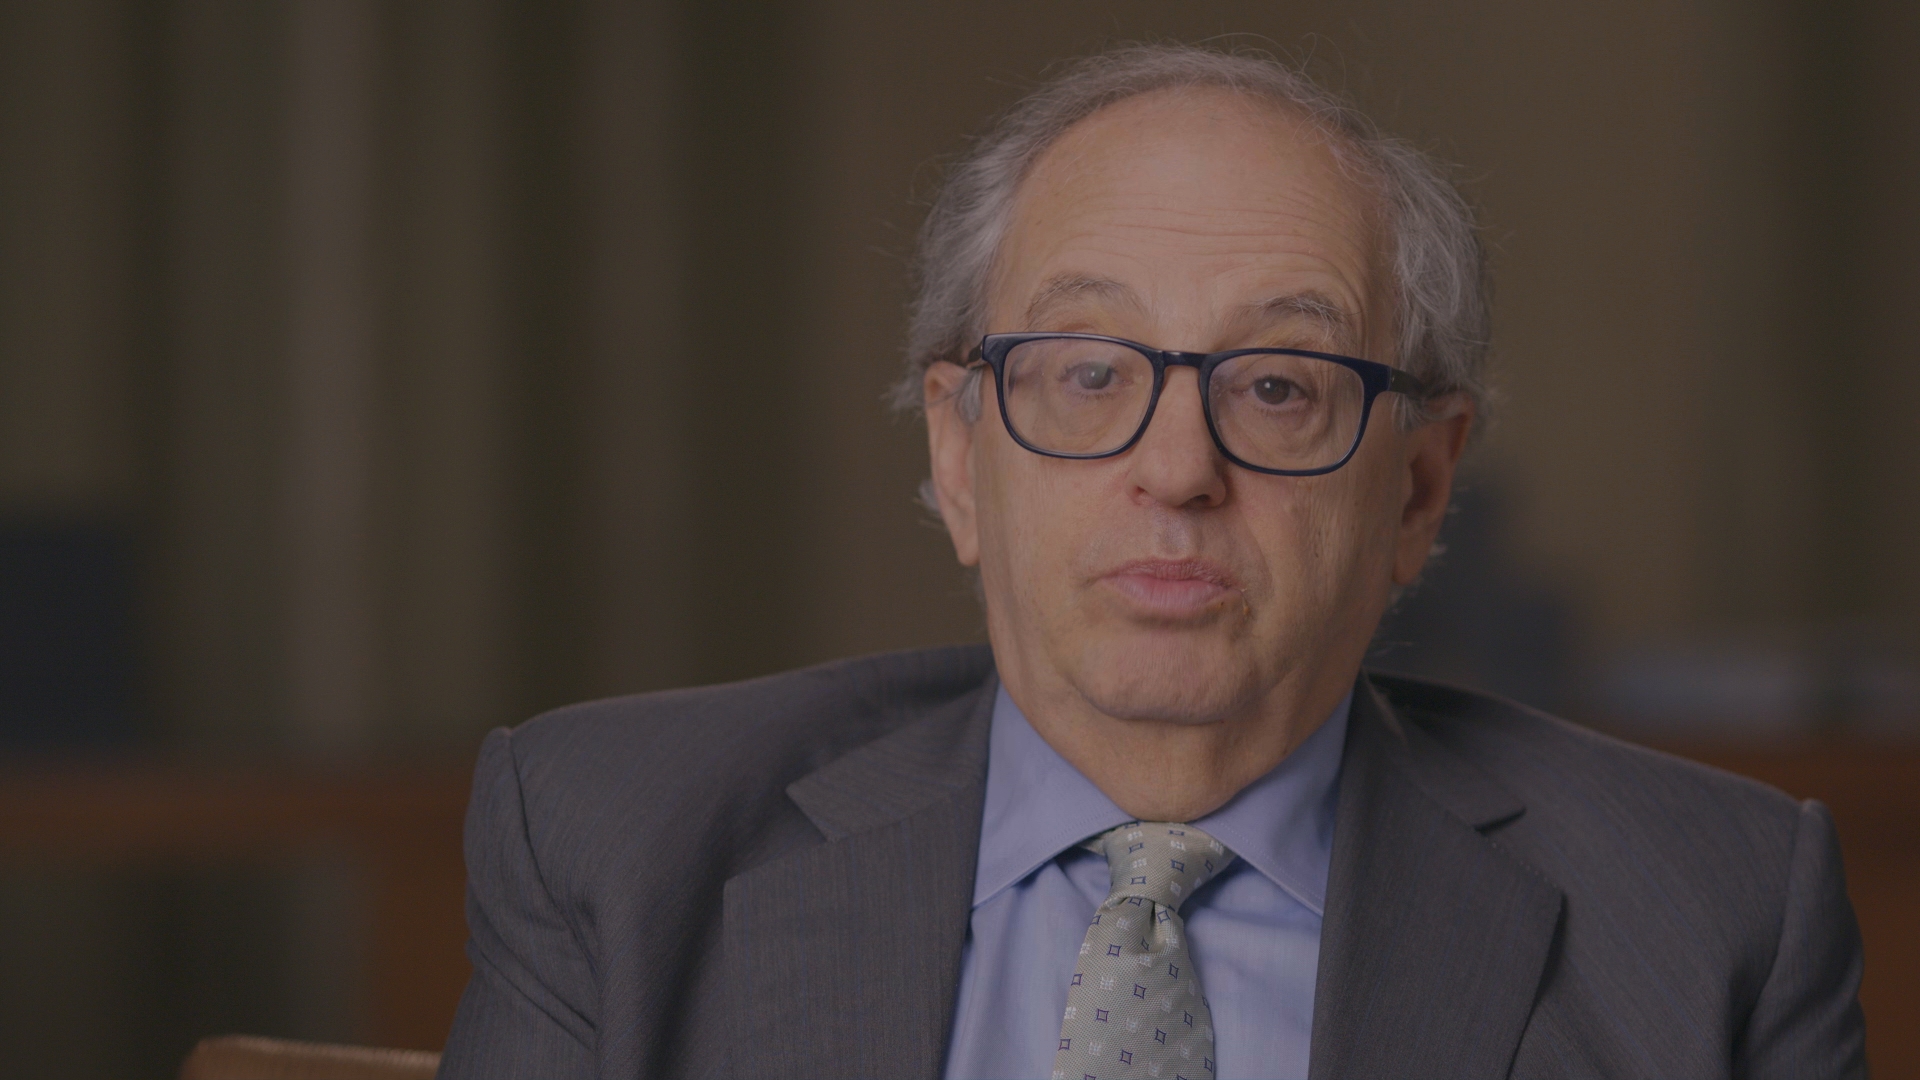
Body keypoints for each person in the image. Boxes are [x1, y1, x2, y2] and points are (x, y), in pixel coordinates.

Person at [436, 45, 1866, 1080]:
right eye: (1086, 373)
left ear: (1419, 491)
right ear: (960, 458)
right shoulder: (611, 845)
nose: (1178, 468)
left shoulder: (1718, 915)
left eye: (1280, 386)